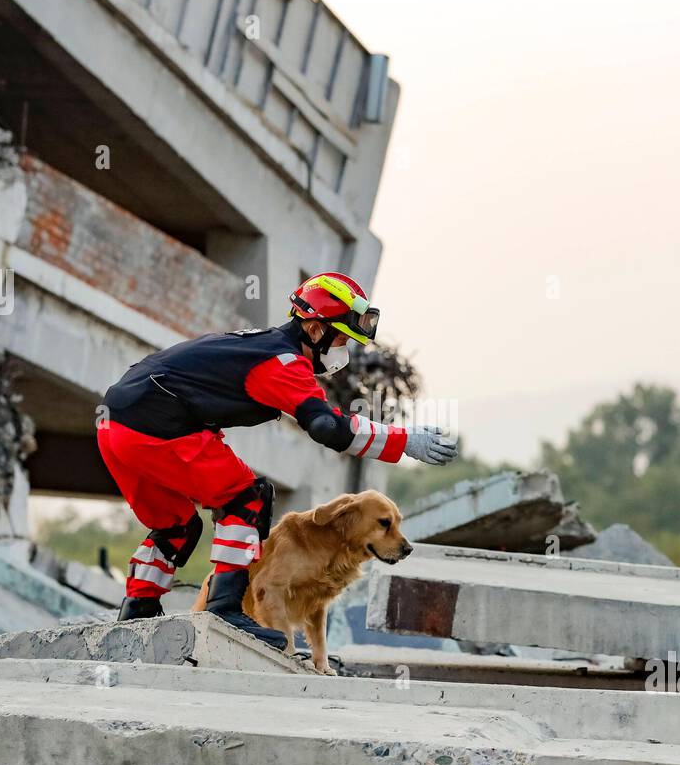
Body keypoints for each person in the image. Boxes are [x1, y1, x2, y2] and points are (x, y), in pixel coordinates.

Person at [96, 272, 458, 648]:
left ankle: (138, 608)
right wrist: (402, 441)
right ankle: (224, 608)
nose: (343, 350)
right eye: (341, 337)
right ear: (315, 331)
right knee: (246, 497)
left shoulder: (257, 346)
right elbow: (328, 427)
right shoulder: (281, 361)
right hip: (159, 427)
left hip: (115, 428)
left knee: (176, 525)